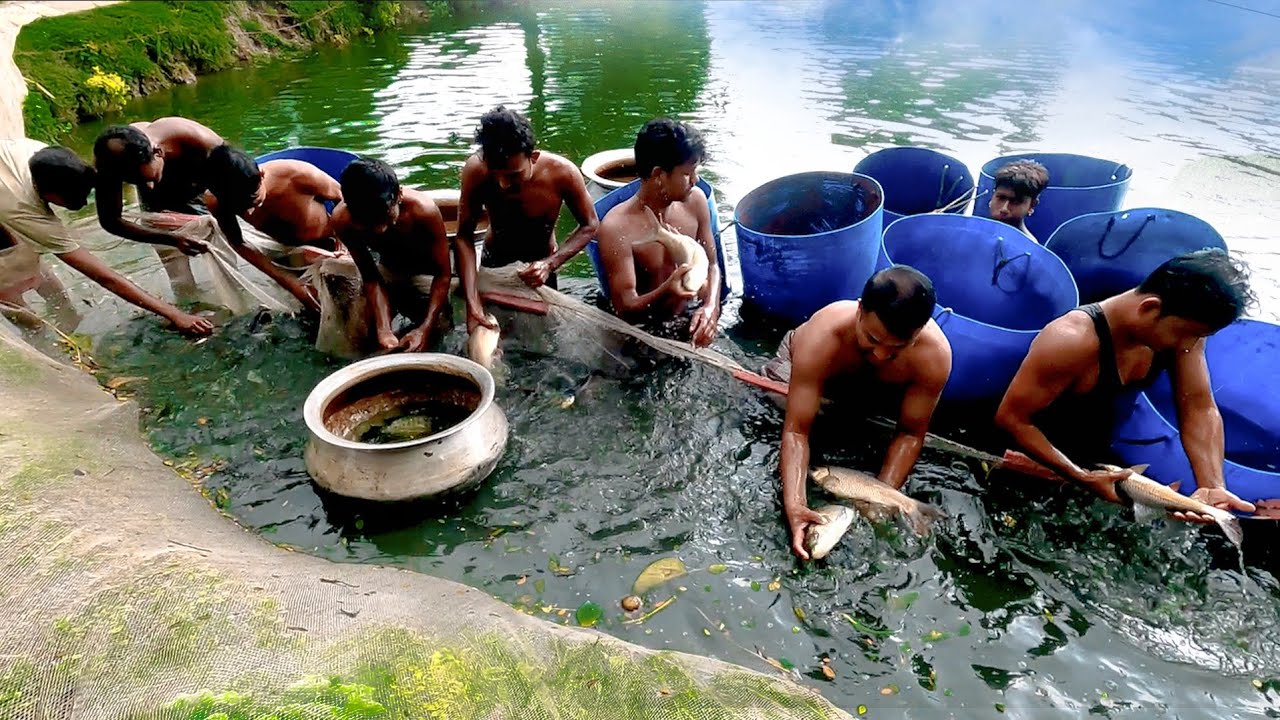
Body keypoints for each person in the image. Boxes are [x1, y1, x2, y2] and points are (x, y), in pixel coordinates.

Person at [995, 249, 1257, 521]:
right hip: (1027, 462)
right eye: (1187, 335)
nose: (1189, 346)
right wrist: (1080, 476)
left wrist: (1212, 486)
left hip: (1101, 467)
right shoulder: (1071, 340)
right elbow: (1012, 418)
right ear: (1150, 308)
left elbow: (1199, 407)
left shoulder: (1181, 331)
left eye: (1199, 337)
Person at [769, 266, 952, 560]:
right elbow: (795, 431)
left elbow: (908, 434)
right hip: (800, 369)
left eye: (896, 348)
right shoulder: (823, 335)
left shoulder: (934, 358)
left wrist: (880, 495)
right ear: (859, 312)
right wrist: (795, 504)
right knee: (775, 409)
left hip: (871, 390)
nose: (880, 355)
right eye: (872, 339)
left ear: (918, 333)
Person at [0, 138, 213, 337]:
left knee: (32, 259)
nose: (83, 204)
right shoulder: (24, 211)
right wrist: (175, 314)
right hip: (7, 202)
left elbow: (110, 217)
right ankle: (42, 341)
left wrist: (173, 239)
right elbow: (104, 277)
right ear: (48, 194)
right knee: (9, 280)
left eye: (85, 194)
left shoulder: (45, 159)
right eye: (74, 198)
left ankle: (69, 320)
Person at [455, 107, 598, 335]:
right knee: (496, 333)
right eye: (496, 173)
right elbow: (463, 238)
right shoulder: (476, 171)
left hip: (540, 267)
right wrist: (473, 303)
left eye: (513, 175)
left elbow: (590, 224)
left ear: (533, 157)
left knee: (545, 335)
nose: (503, 183)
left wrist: (550, 264)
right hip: (495, 263)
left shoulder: (563, 174)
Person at [595, 118, 722, 348]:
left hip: (688, 319)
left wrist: (710, 307)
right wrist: (667, 290)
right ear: (658, 175)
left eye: (696, 171)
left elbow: (713, 265)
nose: (695, 180)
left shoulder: (696, 202)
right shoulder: (616, 228)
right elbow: (625, 308)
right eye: (687, 174)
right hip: (641, 334)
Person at [329, 158, 452, 354]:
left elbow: (443, 274)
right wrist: (383, 328)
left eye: (385, 218)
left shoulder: (423, 211)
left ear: (399, 196)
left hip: (426, 274)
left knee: (440, 330)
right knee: (359, 335)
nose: (379, 230)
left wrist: (424, 329)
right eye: (368, 223)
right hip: (387, 271)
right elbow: (370, 277)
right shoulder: (343, 221)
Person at [203, 145, 343, 312]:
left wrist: (343, 245)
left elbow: (342, 199)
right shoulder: (216, 202)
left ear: (261, 176)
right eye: (239, 207)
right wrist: (292, 284)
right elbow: (238, 243)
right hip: (286, 251)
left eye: (253, 199)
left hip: (329, 241)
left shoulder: (296, 174)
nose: (249, 212)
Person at [987, 159, 1048, 241]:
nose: (1004, 209)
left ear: (1032, 205)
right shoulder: (971, 231)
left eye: (1015, 202)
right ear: (993, 195)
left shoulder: (1028, 248)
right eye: (1001, 198)